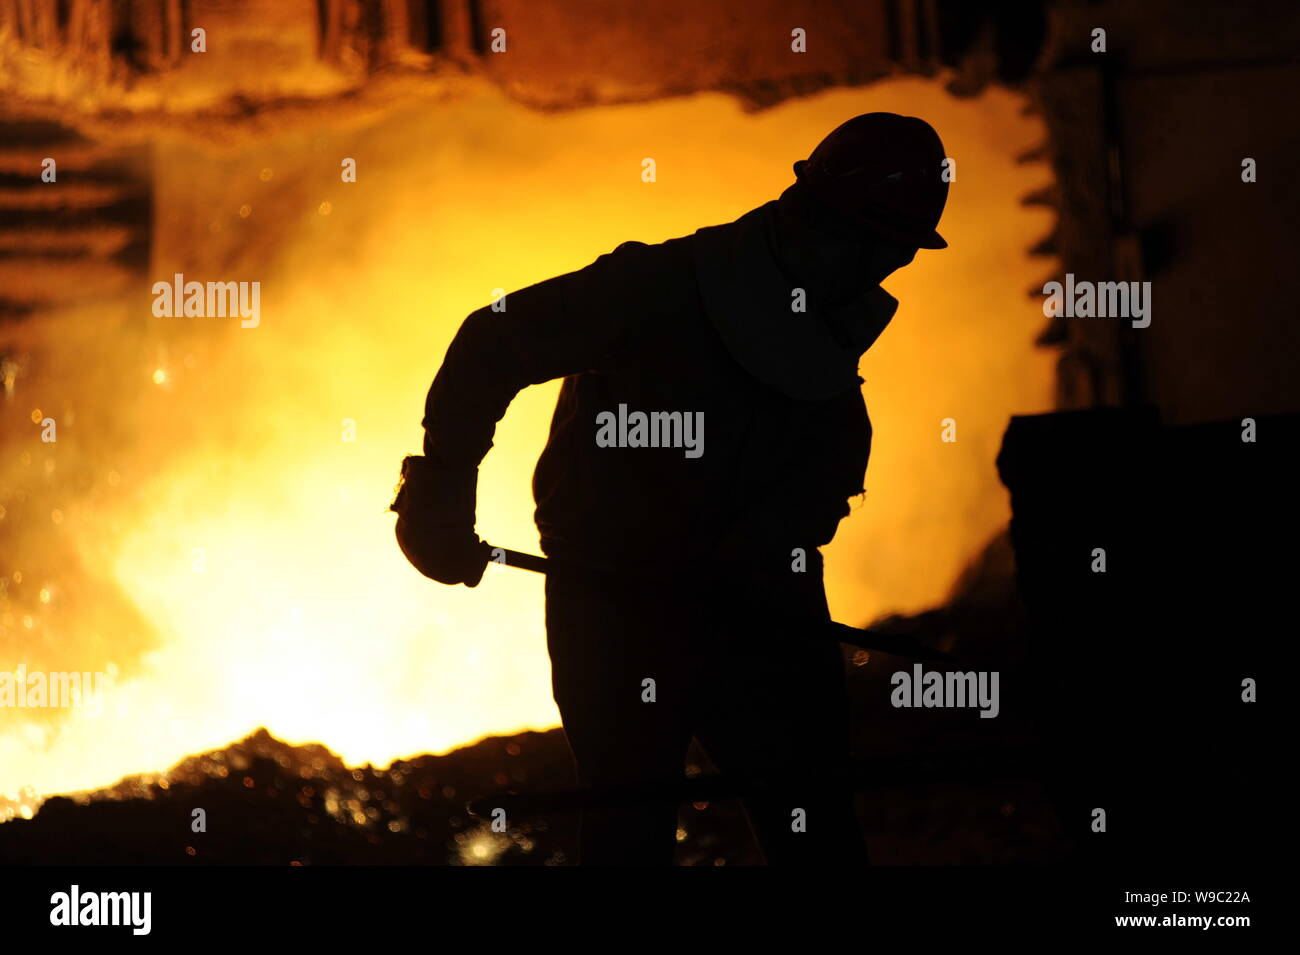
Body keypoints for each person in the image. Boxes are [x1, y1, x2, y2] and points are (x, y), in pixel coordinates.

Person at [393, 112, 950, 865]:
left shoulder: (828, 319)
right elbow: (495, 340)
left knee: (814, 827)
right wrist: (442, 488)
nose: (880, 269)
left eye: (896, 255)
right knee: (630, 824)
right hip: (619, 601)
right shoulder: (656, 290)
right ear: (818, 215)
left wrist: (762, 550)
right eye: (873, 245)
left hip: (757, 604)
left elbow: (829, 461)